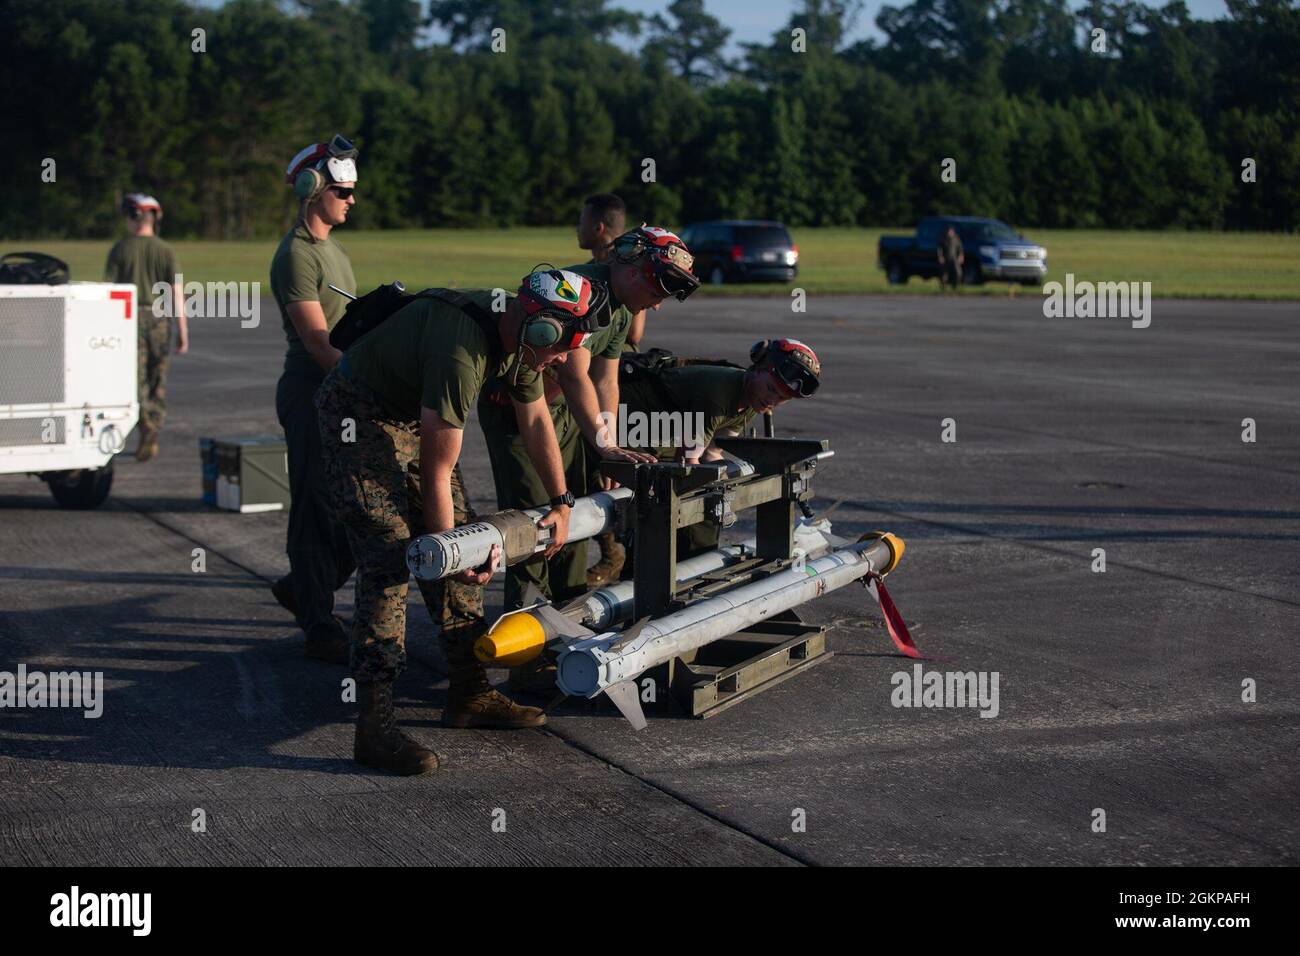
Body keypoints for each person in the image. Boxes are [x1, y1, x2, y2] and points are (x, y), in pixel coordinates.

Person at [316, 268, 608, 775]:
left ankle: (470, 694)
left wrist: (562, 501)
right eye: (565, 345)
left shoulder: (524, 343)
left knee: (468, 538)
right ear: (540, 329)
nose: (565, 359)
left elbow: (536, 419)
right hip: (357, 417)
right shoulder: (464, 350)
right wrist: (447, 557)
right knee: (390, 557)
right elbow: (438, 467)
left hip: (406, 416)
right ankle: (374, 728)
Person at [268, 135, 361, 664]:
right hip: (312, 391)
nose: (351, 200)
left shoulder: (334, 249)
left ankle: (300, 587)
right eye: (342, 191)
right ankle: (318, 622)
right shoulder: (297, 256)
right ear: (313, 189)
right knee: (314, 506)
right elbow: (317, 341)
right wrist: (364, 388)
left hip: (339, 390)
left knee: (353, 507)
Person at [619, 338, 822, 559]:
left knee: (698, 502)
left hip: (663, 432)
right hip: (628, 421)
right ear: (757, 370)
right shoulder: (719, 395)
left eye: (781, 398)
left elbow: (712, 452)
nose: (771, 400)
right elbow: (688, 463)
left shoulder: (751, 398)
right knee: (643, 497)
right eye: (771, 389)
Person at [574, 197, 652, 586]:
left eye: (582, 220)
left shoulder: (628, 264)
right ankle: (612, 553)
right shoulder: (608, 264)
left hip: (607, 369)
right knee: (591, 470)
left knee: (595, 471)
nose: (577, 228)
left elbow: (634, 334)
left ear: (600, 227)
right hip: (585, 370)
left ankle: (614, 553)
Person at [104, 194, 187, 462]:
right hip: (161, 319)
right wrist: (183, 331)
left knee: (135, 376)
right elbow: (176, 293)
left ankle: (144, 424)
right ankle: (154, 423)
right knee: (157, 376)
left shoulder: (120, 249)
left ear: (133, 217)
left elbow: (110, 292)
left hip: (129, 319)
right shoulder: (166, 250)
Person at [938, 225, 964, 291]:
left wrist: (961, 256)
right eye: (949, 231)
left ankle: (955, 287)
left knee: (958, 273)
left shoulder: (956, 239)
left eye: (951, 231)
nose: (950, 232)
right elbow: (940, 249)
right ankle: (943, 287)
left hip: (954, 258)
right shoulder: (943, 239)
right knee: (944, 274)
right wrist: (940, 257)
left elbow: (960, 248)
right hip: (946, 258)